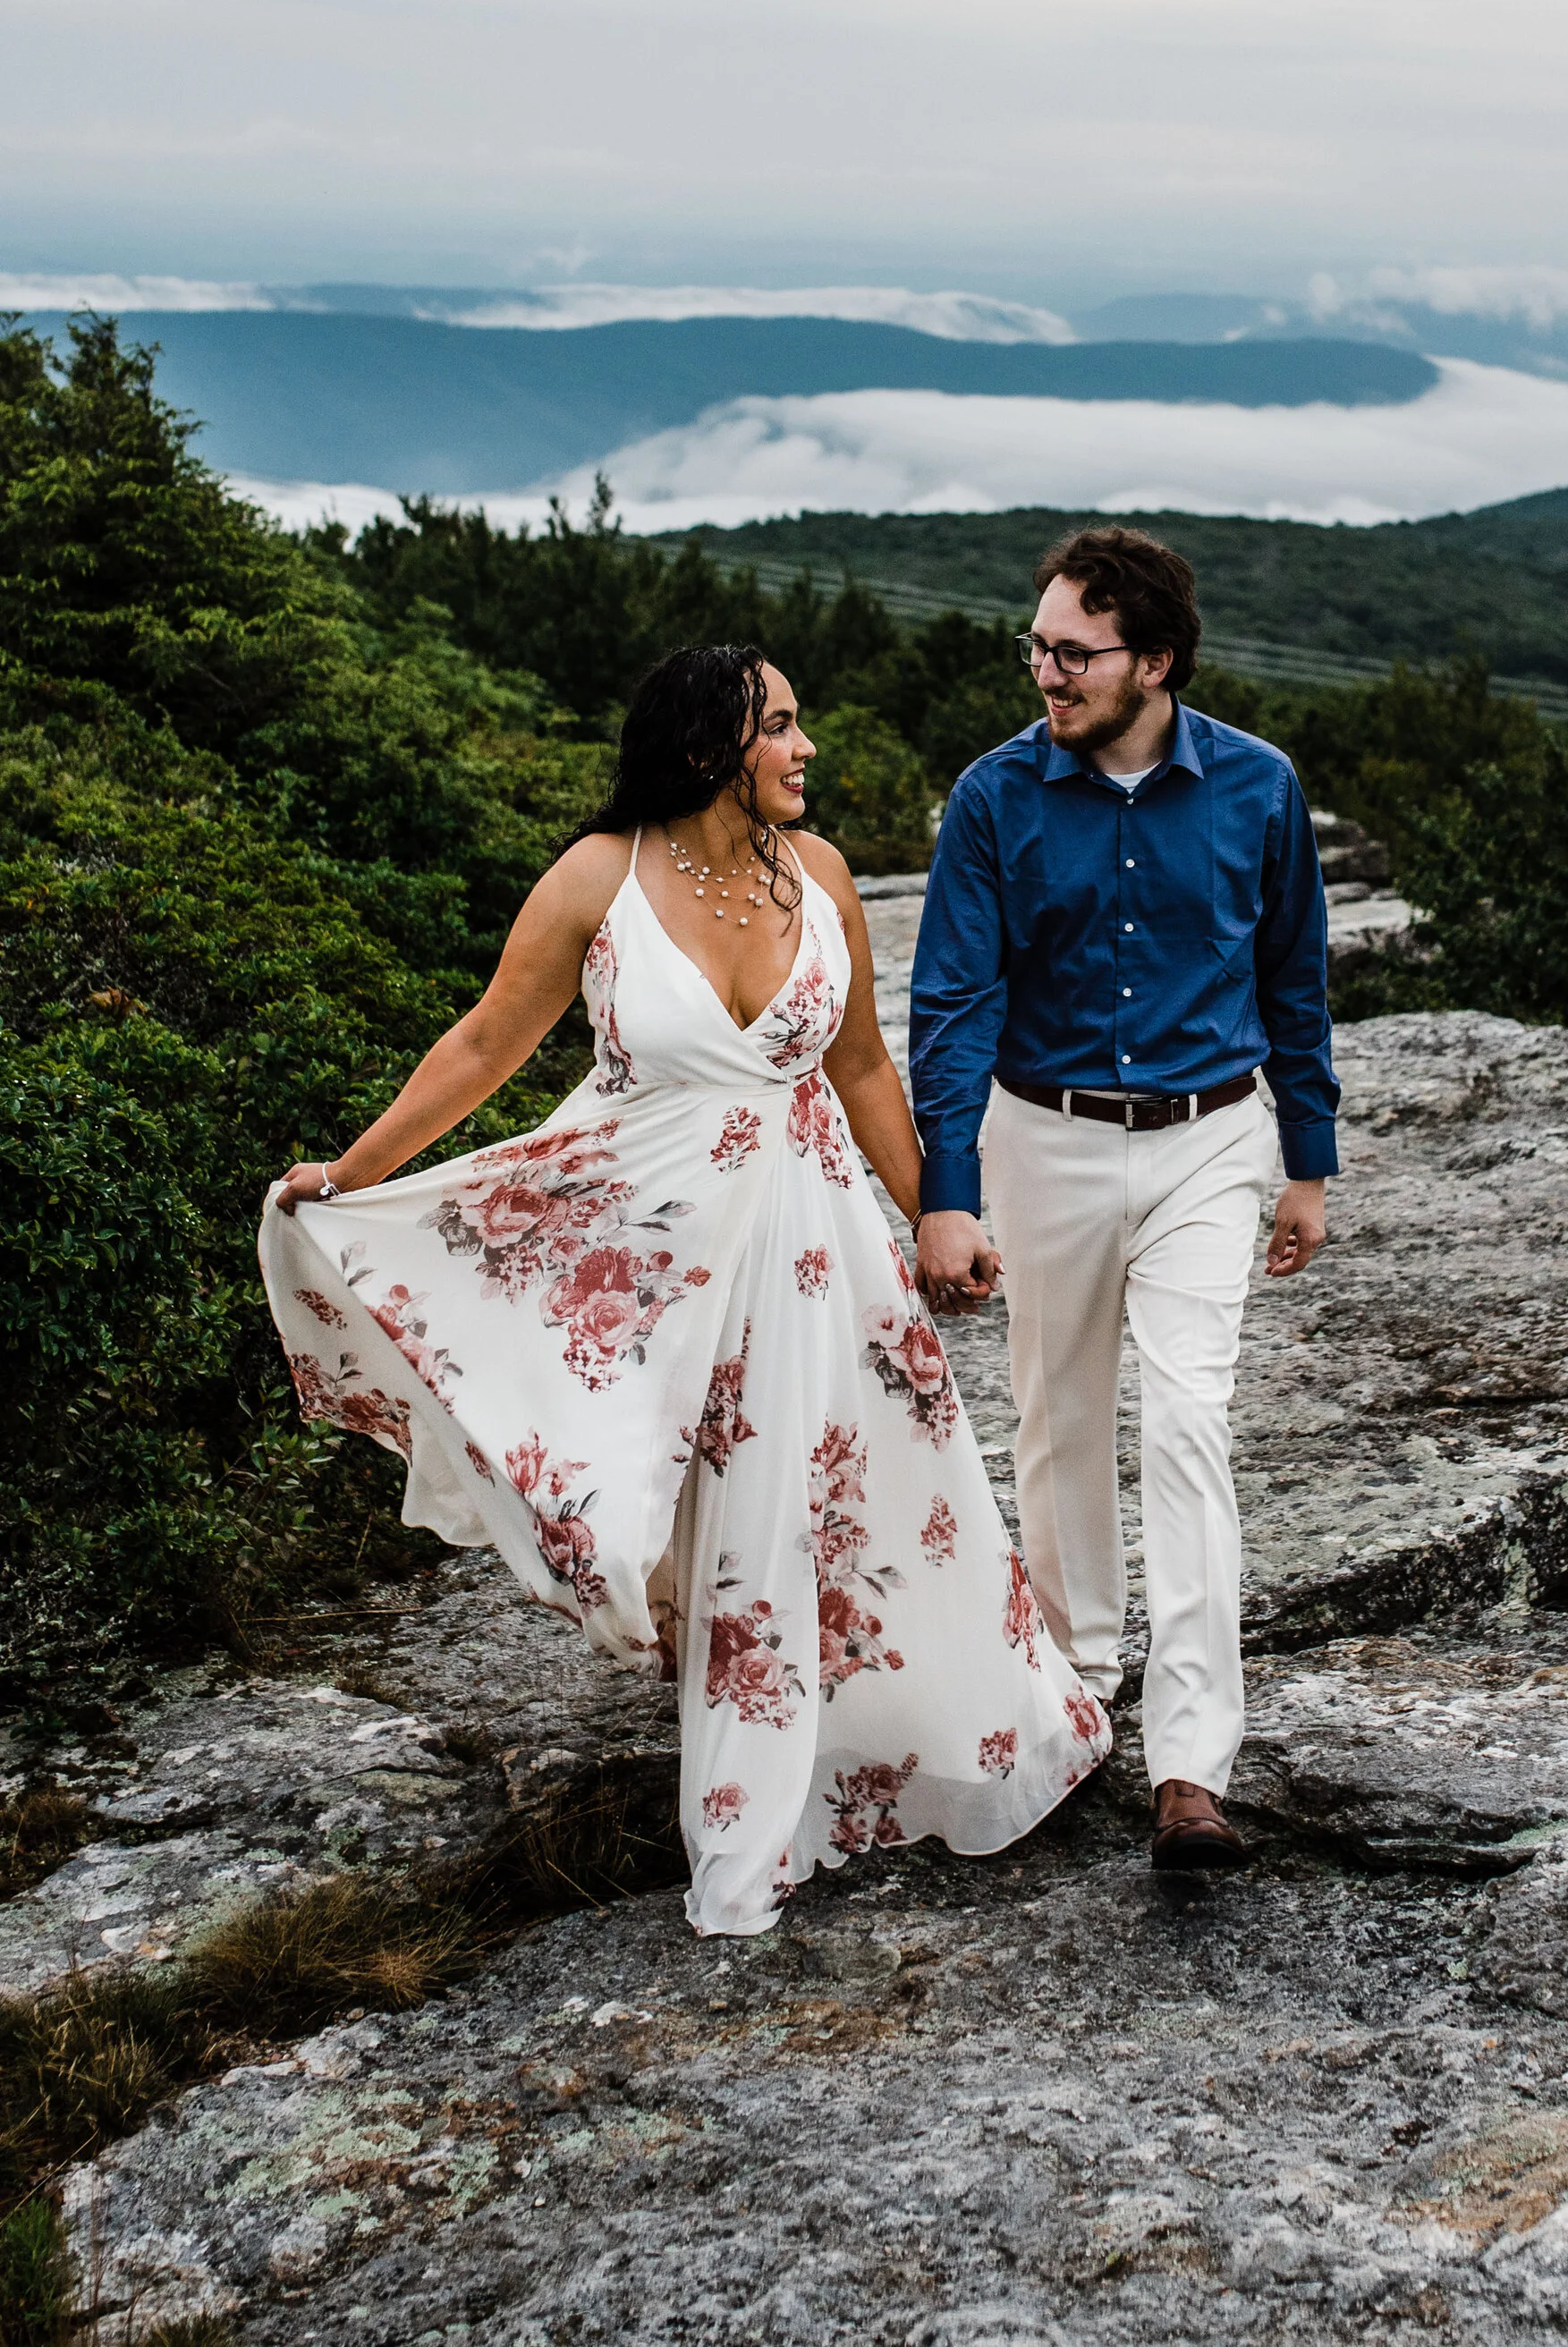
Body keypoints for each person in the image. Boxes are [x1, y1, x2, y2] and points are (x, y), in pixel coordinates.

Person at [260, 643, 1109, 1937]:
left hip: (817, 1243)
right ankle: (751, 1821)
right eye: (782, 725)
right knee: (718, 1529)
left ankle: (950, 1742)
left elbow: (867, 1067)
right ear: (715, 745)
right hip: (654, 1254)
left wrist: (941, 1208)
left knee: (883, 1494)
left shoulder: (820, 877)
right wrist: (359, 1169)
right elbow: (490, 1040)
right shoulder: (598, 877)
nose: (806, 746)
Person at [908, 526, 1337, 1873]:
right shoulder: (992, 799)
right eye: (1037, 645)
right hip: (1051, 1135)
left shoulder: (1261, 789)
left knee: (1191, 1419)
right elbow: (955, 1005)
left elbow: (1296, 980)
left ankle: (1192, 1767)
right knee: (1059, 1415)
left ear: (1153, 660)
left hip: (1215, 1138)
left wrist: (1308, 1163)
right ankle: (1080, 1687)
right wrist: (950, 1191)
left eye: (1073, 651)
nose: (1047, 670)